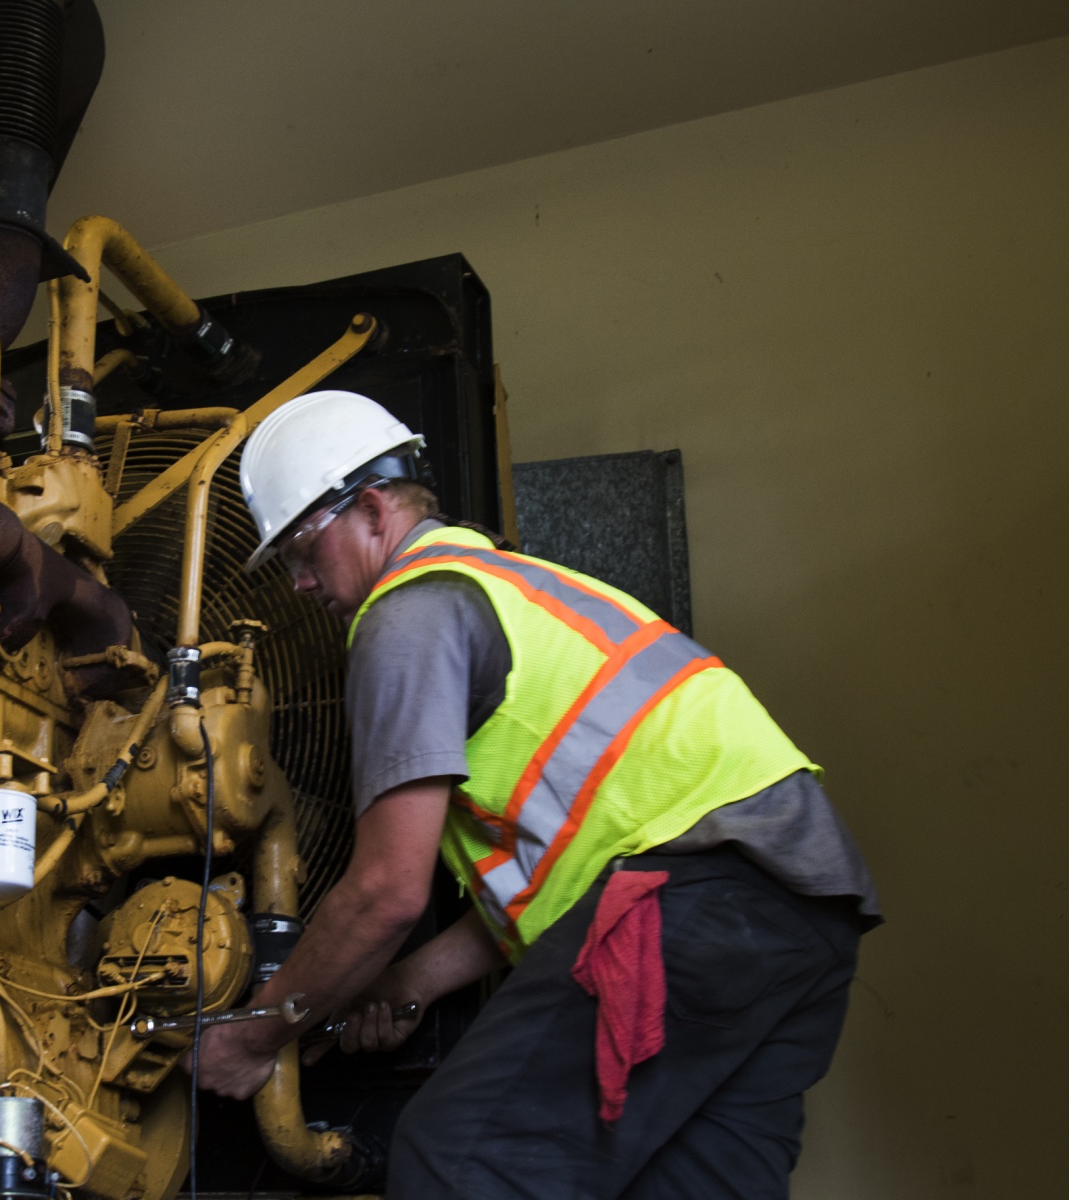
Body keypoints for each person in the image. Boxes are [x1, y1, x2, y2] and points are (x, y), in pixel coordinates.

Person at [195, 390, 880, 1199]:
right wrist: (402, 986)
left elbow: (384, 891)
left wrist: (258, 1030)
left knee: (459, 1162)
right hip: (802, 908)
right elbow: (569, 877)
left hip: (689, 898)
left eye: (303, 549)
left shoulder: (408, 615)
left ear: (373, 510)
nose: (301, 583)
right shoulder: (512, 585)